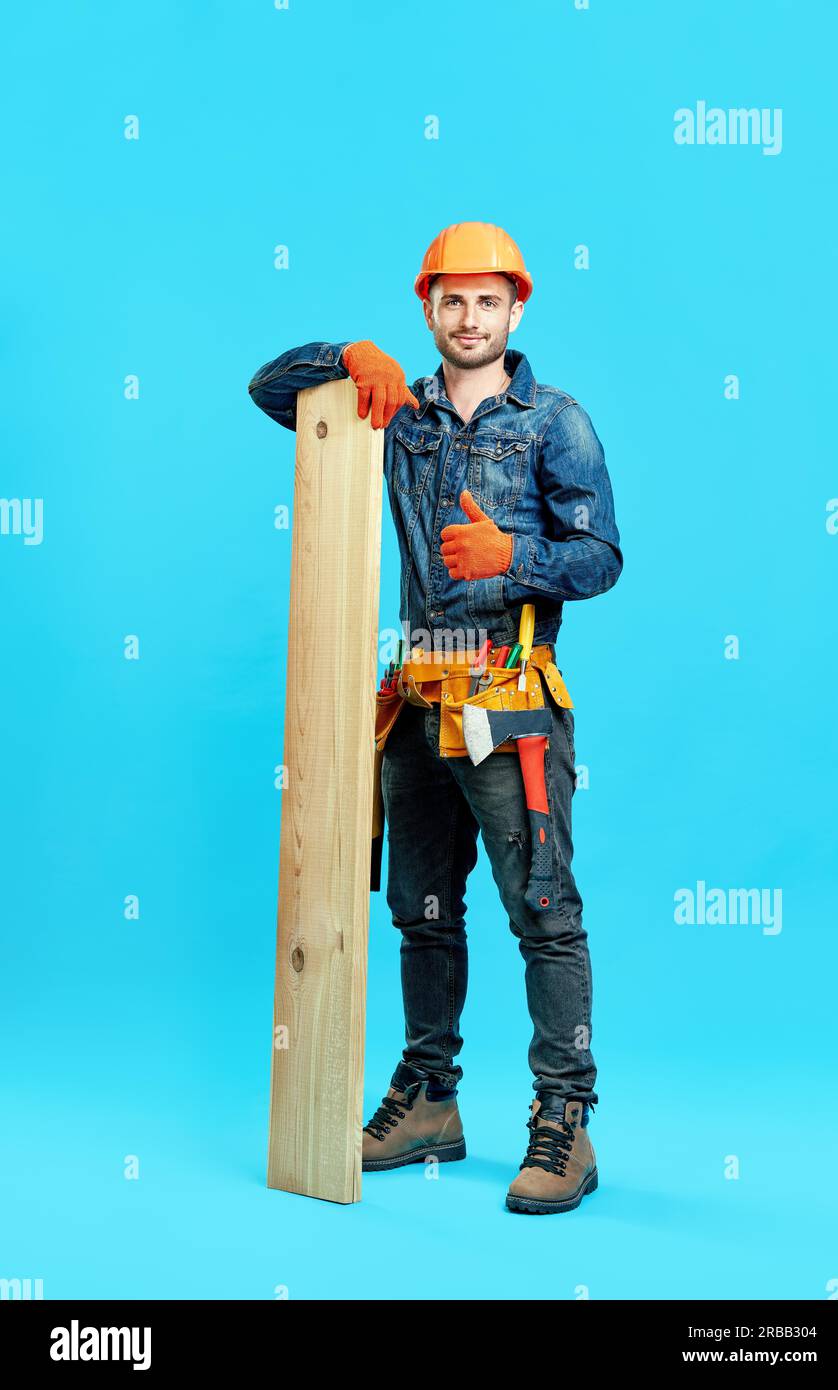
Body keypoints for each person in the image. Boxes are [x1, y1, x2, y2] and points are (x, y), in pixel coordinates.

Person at [248, 222, 622, 1214]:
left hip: (509, 703)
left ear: (517, 309)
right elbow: (270, 392)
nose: (469, 317)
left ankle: (564, 1120)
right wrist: (344, 357)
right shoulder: (399, 415)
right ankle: (429, 1099)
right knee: (419, 911)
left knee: (543, 912)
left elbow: (604, 559)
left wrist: (519, 559)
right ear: (429, 308)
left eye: (487, 301)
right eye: (450, 300)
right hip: (417, 701)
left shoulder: (556, 423)